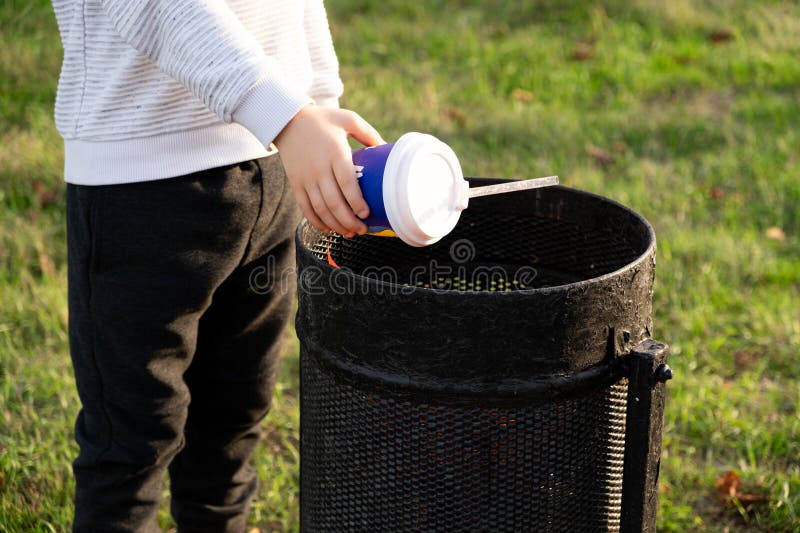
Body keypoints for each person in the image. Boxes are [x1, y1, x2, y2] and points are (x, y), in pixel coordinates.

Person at [50, 0, 383, 530]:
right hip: (143, 190)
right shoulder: (280, 121)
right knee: (131, 446)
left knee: (232, 423)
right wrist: (287, 117)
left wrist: (318, 106)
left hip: (276, 170)